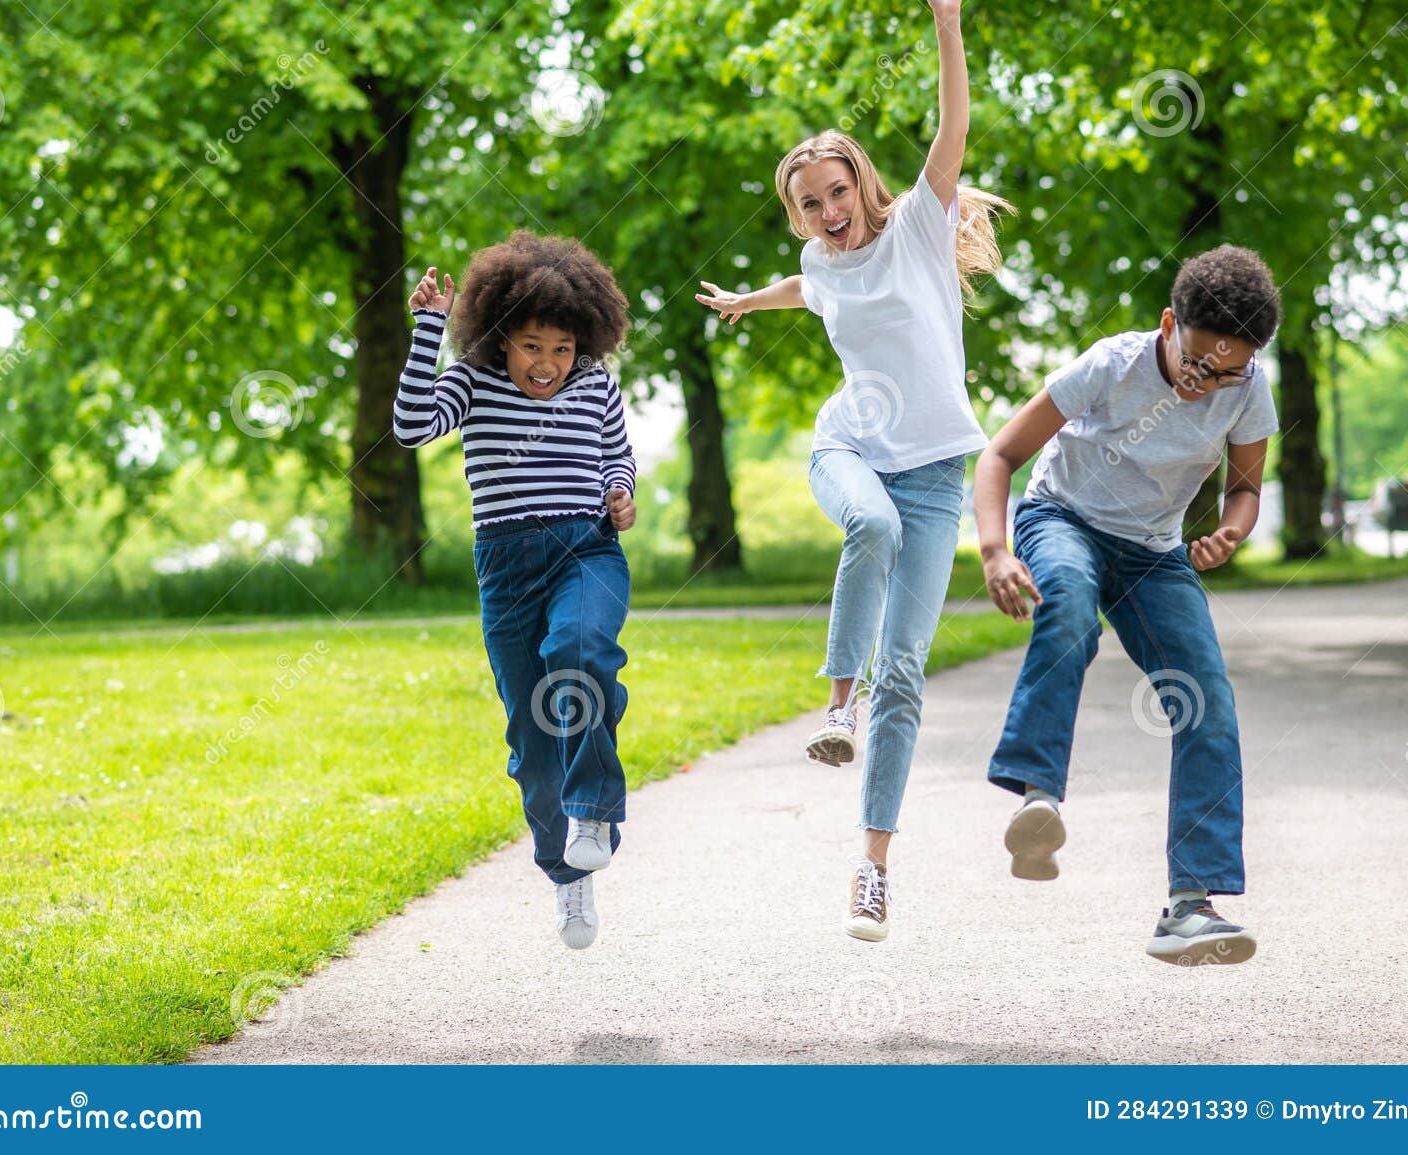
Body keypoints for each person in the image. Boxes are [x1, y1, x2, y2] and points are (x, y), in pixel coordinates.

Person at [694, 0, 1012, 942]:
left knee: (907, 676)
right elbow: (810, 284)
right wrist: (754, 298)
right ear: (796, 213)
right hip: (850, 448)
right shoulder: (816, 261)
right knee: (866, 527)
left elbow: (953, 126)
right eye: (809, 204)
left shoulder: (918, 224)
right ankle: (837, 704)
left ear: (861, 184)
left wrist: (947, 26)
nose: (828, 214)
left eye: (837, 193)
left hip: (935, 473)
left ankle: (871, 869)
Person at [974, 245, 1281, 967]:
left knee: (1207, 698)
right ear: (1170, 324)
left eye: (1228, 371)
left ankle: (1190, 904)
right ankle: (1038, 797)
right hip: (1064, 520)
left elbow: (1245, 487)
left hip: (1155, 552)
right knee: (1072, 607)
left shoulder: (1248, 388)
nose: (1208, 384)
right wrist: (994, 549)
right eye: (1198, 363)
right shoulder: (1110, 365)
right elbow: (999, 456)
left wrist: (1232, 530)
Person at [393, 231, 636, 951]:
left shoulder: (594, 380)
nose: (548, 364)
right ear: (501, 337)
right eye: (532, 345)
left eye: (561, 348)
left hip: (586, 550)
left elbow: (616, 452)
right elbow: (410, 426)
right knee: (532, 741)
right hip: (506, 567)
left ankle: (594, 805)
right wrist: (427, 330)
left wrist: (620, 491)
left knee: (581, 646)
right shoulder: (472, 380)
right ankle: (568, 876)